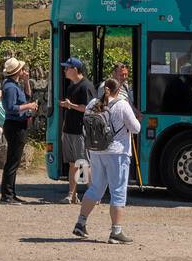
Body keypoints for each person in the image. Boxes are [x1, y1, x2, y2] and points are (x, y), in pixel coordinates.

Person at [73, 78, 141, 244]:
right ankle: (116, 231)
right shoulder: (122, 105)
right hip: (117, 153)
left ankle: (81, 223)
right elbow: (136, 128)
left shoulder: (91, 104)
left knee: (96, 188)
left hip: (96, 151)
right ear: (118, 90)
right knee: (118, 190)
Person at [0, 57, 39, 204]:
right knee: (12, 161)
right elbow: (11, 108)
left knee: (14, 161)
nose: (24, 71)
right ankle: (7, 195)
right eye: (22, 69)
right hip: (14, 125)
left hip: (18, 124)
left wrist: (26, 81)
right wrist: (29, 107)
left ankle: (10, 193)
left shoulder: (14, 85)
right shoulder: (10, 87)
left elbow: (27, 96)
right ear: (17, 71)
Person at [58, 58, 96, 204]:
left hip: (81, 131)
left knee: (83, 163)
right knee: (72, 163)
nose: (65, 70)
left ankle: (93, 194)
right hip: (69, 130)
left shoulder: (86, 86)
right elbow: (72, 107)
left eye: (67, 68)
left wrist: (70, 105)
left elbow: (88, 108)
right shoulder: (71, 86)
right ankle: (71, 195)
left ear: (75, 69)